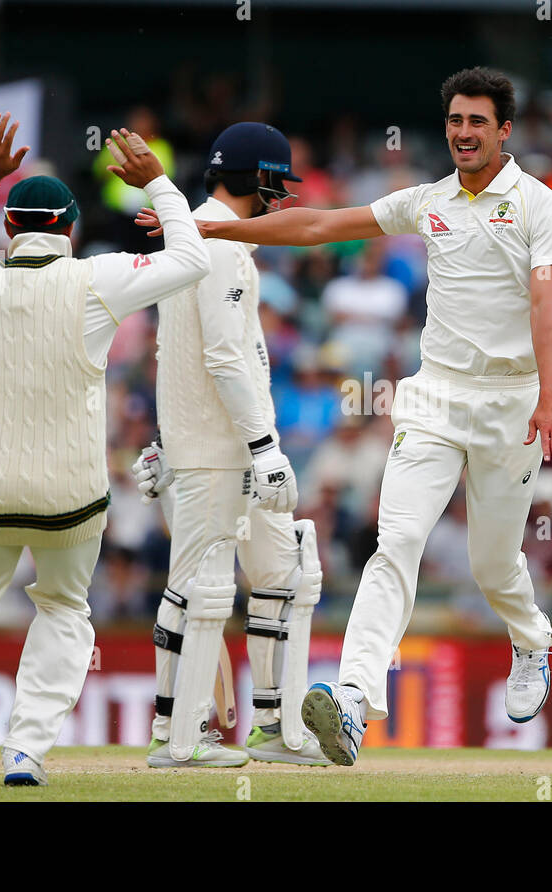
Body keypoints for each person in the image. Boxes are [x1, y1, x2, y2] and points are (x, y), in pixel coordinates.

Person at [196, 67, 552, 766]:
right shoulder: (428, 202)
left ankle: (531, 639)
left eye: (478, 122)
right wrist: (222, 229)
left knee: (492, 568)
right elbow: (318, 223)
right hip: (434, 398)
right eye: (456, 121)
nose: (464, 133)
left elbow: (545, 307)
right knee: (394, 543)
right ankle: (352, 701)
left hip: (513, 402)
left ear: (505, 131)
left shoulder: (540, 207)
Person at [0, 114, 210, 786]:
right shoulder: (96, 278)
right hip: (71, 496)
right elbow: (193, 259)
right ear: (69, 229)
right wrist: (159, 183)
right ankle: (25, 750)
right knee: (66, 611)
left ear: (9, 229)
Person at [131, 122, 329, 768]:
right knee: (201, 586)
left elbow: (186, 350)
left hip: (225, 444)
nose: (280, 195)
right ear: (256, 178)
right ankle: (177, 738)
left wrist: (167, 435)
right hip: (221, 449)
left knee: (284, 575)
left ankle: (275, 729)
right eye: (275, 181)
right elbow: (219, 356)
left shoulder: (202, 237)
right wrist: (265, 446)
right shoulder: (215, 245)